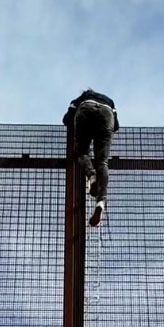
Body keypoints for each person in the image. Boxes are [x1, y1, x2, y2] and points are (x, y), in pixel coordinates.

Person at [62, 89, 120, 227]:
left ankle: (91, 175)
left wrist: (83, 130)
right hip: (107, 113)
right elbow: (116, 126)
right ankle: (100, 202)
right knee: (102, 162)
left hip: (86, 109)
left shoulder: (81, 99)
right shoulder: (110, 101)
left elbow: (67, 119)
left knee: (82, 153)